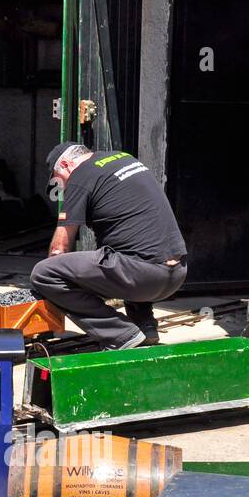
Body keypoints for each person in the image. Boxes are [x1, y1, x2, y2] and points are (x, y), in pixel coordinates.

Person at [31, 142, 187, 349]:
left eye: (60, 182)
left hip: (143, 276)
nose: (63, 189)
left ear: (67, 165)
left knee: (44, 273)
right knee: (123, 251)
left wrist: (49, 293)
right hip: (176, 273)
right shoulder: (124, 159)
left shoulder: (80, 176)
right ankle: (145, 326)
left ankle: (121, 334)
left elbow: (59, 250)